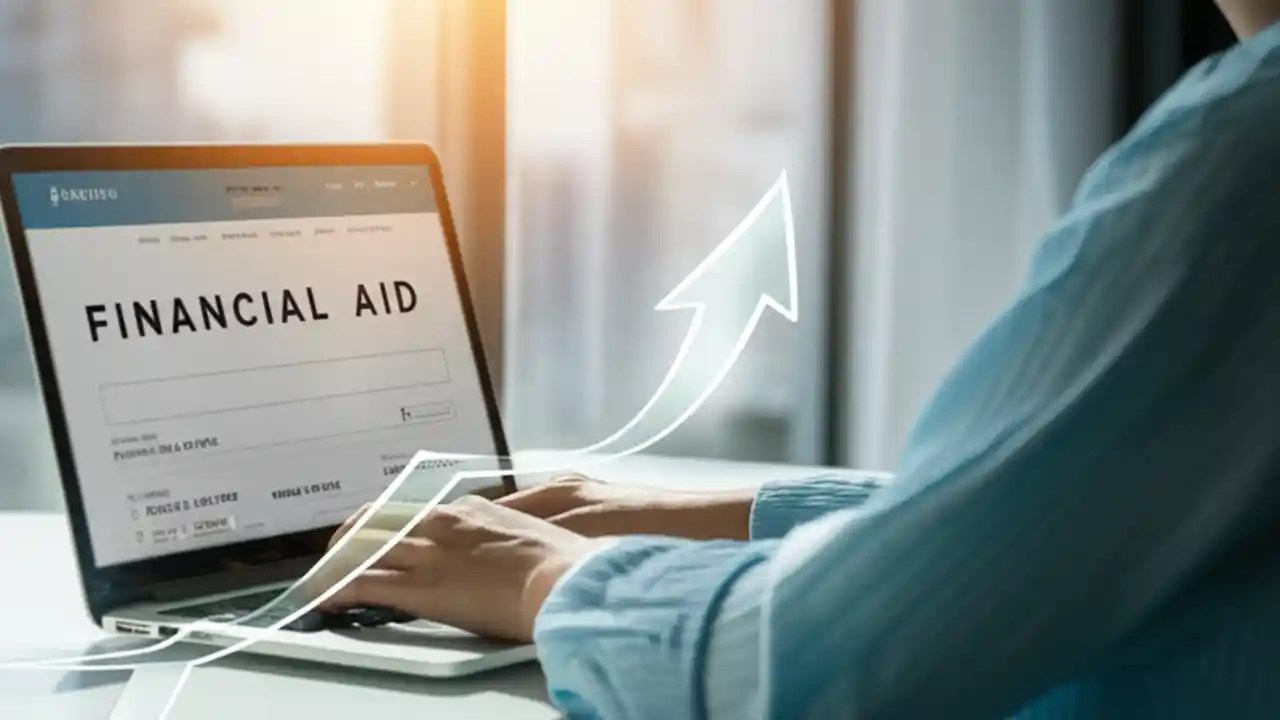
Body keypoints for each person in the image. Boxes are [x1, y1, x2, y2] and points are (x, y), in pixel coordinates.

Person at [321, 1, 1280, 716]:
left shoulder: (1245, 150)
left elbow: (830, 664)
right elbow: (1090, 514)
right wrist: (723, 514)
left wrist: (545, 578)